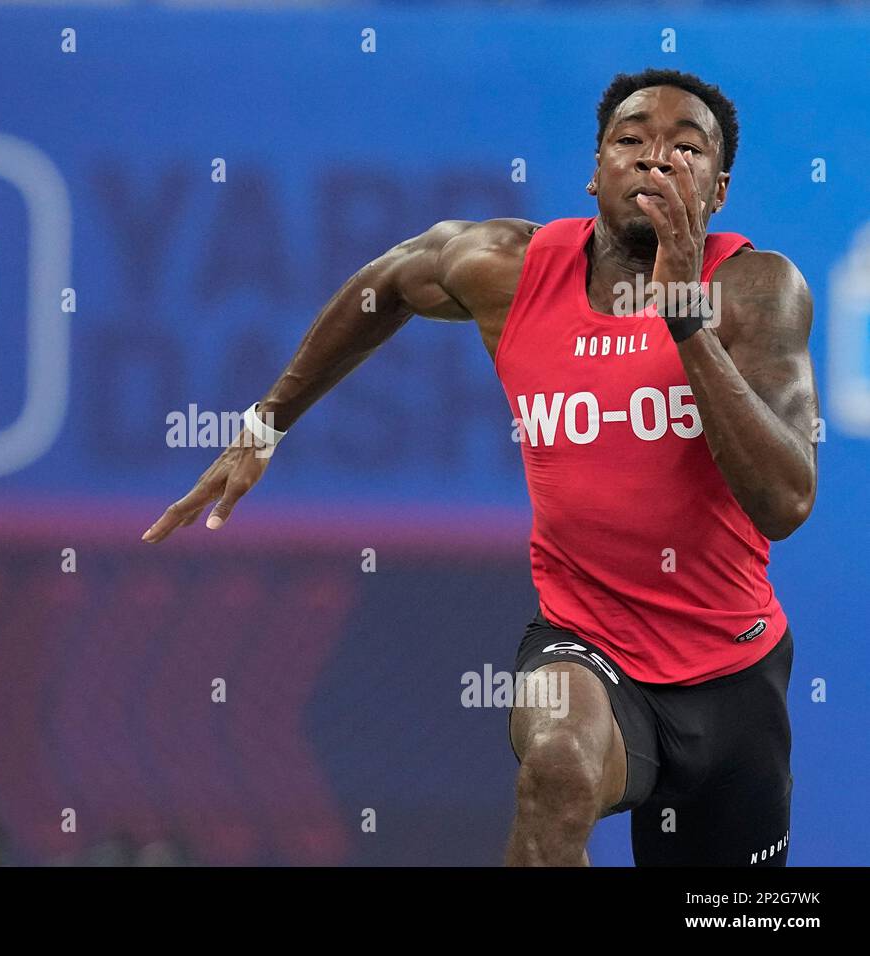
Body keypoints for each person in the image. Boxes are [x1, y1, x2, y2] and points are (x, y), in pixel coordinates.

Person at [141, 69, 818, 866]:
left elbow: (785, 502)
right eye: (630, 141)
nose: (655, 161)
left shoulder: (754, 290)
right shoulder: (510, 268)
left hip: (732, 669)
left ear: (719, 190)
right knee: (560, 762)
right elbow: (386, 283)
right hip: (587, 646)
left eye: (686, 149)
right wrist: (265, 422)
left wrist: (686, 328)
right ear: (594, 170)